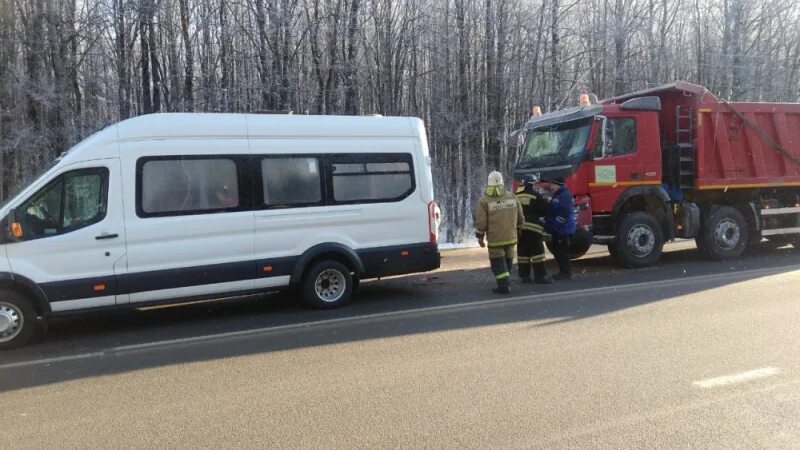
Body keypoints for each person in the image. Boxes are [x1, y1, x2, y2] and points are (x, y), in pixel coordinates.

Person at [475, 171, 524, 295]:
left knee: (498, 263)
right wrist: (519, 228)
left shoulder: (484, 201)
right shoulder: (512, 197)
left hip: (496, 239)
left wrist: (480, 236)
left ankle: (503, 286)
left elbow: (481, 222)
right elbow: (520, 216)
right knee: (507, 261)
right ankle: (507, 282)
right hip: (511, 237)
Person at [515, 174, 552, 284]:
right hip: (534, 229)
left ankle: (525, 277)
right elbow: (545, 211)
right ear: (532, 184)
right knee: (538, 254)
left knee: (522, 254)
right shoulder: (536, 196)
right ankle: (540, 277)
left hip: (520, 230)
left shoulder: (516, 196)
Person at [545, 177, 576, 280]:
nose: (551, 187)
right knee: (558, 251)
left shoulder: (564, 195)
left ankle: (565, 272)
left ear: (558, 185)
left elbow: (563, 213)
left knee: (562, 252)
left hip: (563, 230)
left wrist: (555, 226)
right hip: (560, 229)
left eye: (553, 185)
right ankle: (563, 271)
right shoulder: (559, 195)